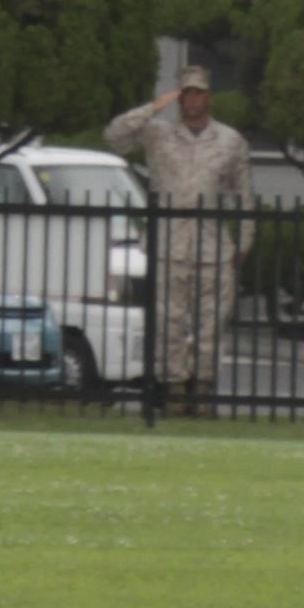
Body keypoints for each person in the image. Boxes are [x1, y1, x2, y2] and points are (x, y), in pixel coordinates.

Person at [106, 67, 257, 413]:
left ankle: (202, 386)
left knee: (212, 321)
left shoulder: (231, 140)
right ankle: (174, 387)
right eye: (187, 93)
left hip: (212, 242)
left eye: (199, 93)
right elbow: (114, 136)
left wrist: (244, 242)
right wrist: (153, 107)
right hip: (169, 241)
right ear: (179, 95)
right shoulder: (158, 133)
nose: (193, 99)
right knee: (167, 319)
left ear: (209, 96)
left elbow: (245, 196)